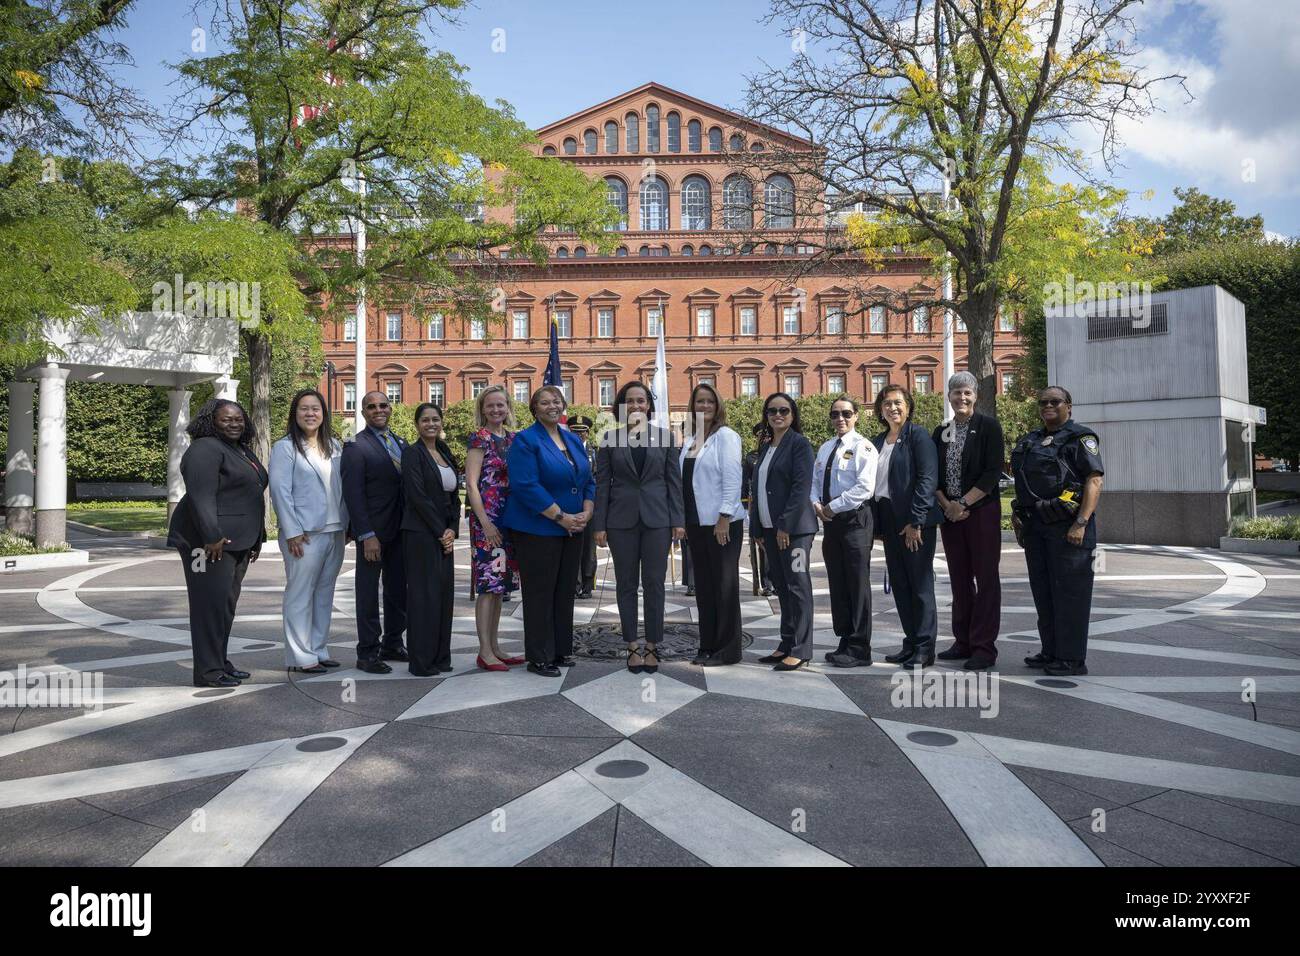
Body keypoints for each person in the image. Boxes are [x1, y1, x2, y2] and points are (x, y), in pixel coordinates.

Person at [167, 399, 266, 688]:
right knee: (208, 607)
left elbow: (250, 494)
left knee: (224, 606)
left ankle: (219, 662)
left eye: (239, 419)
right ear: (211, 421)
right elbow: (201, 496)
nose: (235, 423)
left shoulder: (239, 449)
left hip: (237, 541)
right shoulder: (204, 449)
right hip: (207, 543)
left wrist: (257, 536)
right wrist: (211, 536)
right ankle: (208, 671)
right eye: (227, 419)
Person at [500, 385, 595, 677]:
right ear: (534, 409)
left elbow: (588, 479)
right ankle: (540, 656)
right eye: (544, 402)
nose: (552, 406)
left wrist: (587, 510)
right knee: (540, 593)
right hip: (538, 528)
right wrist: (561, 517)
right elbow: (525, 485)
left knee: (565, 590)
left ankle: (560, 649)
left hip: (574, 527)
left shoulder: (572, 439)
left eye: (556, 401)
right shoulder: (526, 440)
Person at [1010, 385, 1105, 677]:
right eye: (1043, 402)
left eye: (1055, 401)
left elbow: (1094, 481)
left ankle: (1072, 659)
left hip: (1068, 528)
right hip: (1037, 528)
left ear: (1069, 406)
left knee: (1071, 595)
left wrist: (1081, 523)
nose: (1048, 406)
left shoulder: (1081, 438)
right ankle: (1050, 650)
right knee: (1044, 593)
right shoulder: (1031, 439)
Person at [593, 381, 685, 675]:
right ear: (621, 407)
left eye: (641, 400)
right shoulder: (609, 439)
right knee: (626, 584)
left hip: (658, 521)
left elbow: (674, 482)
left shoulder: (666, 438)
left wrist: (678, 520)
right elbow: (602, 485)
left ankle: (653, 645)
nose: (635, 406)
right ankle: (632, 645)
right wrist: (599, 524)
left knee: (655, 584)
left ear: (648, 405)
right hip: (621, 522)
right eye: (629, 401)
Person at [269, 389, 348, 675]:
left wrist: (348, 525)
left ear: (323, 414)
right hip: (304, 534)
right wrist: (291, 531)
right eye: (304, 408)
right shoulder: (285, 448)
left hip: (335, 530)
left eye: (315, 408)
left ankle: (318, 648)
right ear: (295, 413)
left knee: (324, 593)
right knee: (300, 593)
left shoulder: (335, 446)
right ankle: (301, 655)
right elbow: (279, 491)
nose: (310, 413)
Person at [932, 372, 1006, 671]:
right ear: (948, 396)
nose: (961, 398)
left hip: (981, 512)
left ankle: (983, 647)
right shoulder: (941, 431)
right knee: (959, 580)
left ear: (975, 396)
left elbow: (992, 472)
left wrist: (963, 503)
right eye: (956, 392)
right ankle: (962, 641)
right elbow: (933, 474)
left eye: (967, 392)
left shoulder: (989, 427)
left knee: (986, 580)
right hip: (950, 515)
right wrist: (947, 506)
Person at [872, 385, 943, 669]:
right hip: (888, 518)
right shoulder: (878, 441)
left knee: (920, 585)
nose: (893, 408)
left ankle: (925, 647)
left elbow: (927, 479)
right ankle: (911, 642)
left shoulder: (918, 436)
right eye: (887, 403)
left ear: (908, 407)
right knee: (900, 585)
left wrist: (916, 521)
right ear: (880, 410)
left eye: (898, 403)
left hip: (914, 520)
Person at [341, 391, 409, 674]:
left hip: (401, 531)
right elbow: (353, 494)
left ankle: (393, 643)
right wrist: (366, 534)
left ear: (390, 408)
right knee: (368, 593)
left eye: (383, 405)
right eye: (371, 407)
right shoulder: (355, 446)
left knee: (397, 590)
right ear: (363, 412)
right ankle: (368, 652)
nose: (378, 410)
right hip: (373, 534)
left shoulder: (401, 443)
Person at [751, 392, 818, 671]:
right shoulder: (767, 447)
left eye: (784, 410)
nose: (777, 415)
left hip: (794, 532)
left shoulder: (799, 444)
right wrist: (757, 528)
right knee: (781, 586)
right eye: (772, 411)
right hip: (770, 531)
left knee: (797, 586)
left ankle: (801, 649)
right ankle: (787, 642)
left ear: (793, 414)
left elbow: (801, 488)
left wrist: (785, 525)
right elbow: (757, 489)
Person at [680, 382, 744, 666]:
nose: (704, 406)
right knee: (704, 588)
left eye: (709, 401)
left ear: (717, 406)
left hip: (721, 524)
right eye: (699, 401)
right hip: (696, 524)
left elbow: (732, 478)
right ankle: (707, 645)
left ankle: (727, 649)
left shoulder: (726, 436)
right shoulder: (690, 440)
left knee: (724, 587)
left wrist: (724, 516)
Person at [812, 395, 878, 668]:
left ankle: (860, 647)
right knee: (838, 583)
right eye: (835, 414)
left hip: (854, 521)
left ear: (856, 416)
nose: (840, 418)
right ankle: (845, 639)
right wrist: (816, 504)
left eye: (846, 413)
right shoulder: (826, 448)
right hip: (831, 524)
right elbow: (815, 480)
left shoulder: (864, 447)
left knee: (857, 584)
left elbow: (865, 488)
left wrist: (833, 507)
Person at [464, 386, 524, 671]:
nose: (496, 410)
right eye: (490, 405)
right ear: (483, 409)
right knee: (488, 586)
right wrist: (485, 523)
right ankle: (484, 651)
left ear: (508, 407)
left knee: (500, 587)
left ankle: (496, 646)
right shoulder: (480, 438)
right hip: (487, 521)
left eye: (501, 405)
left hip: (509, 520)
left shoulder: (514, 439)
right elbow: (471, 484)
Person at [401, 403, 462, 676]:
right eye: (425, 420)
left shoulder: (445, 451)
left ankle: (440, 657)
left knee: (443, 596)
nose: (431, 424)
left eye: (435, 419)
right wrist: (441, 531)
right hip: (420, 534)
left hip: (443, 534)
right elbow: (417, 497)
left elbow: (454, 496)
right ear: (417, 425)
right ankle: (422, 661)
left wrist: (452, 529)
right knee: (424, 597)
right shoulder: (412, 454)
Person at [567, 414, 599, 598]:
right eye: (575, 432)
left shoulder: (595, 452)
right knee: (572, 547)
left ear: (588, 433)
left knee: (588, 548)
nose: (579, 436)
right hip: (570, 506)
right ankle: (574, 584)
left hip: (590, 506)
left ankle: (587, 584)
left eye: (582, 432)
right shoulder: (563, 451)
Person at [743, 424, 774, 596]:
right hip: (757, 506)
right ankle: (767, 583)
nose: (765, 438)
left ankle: (778, 582)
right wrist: (745, 508)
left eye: (767, 435)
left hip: (776, 507)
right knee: (764, 546)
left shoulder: (778, 453)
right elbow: (745, 483)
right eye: (761, 436)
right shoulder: (751, 457)